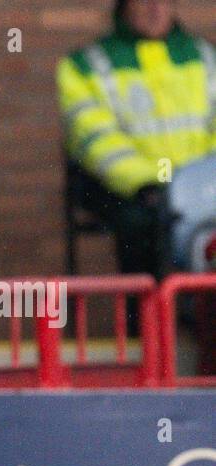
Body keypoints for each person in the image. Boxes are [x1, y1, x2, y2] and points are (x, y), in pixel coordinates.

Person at [58, 0, 216, 279]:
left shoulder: (204, 57)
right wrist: (152, 183)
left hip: (199, 185)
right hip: (130, 188)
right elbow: (99, 143)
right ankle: (144, 319)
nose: (156, 8)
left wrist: (198, 181)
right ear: (124, 6)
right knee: (143, 225)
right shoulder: (84, 66)